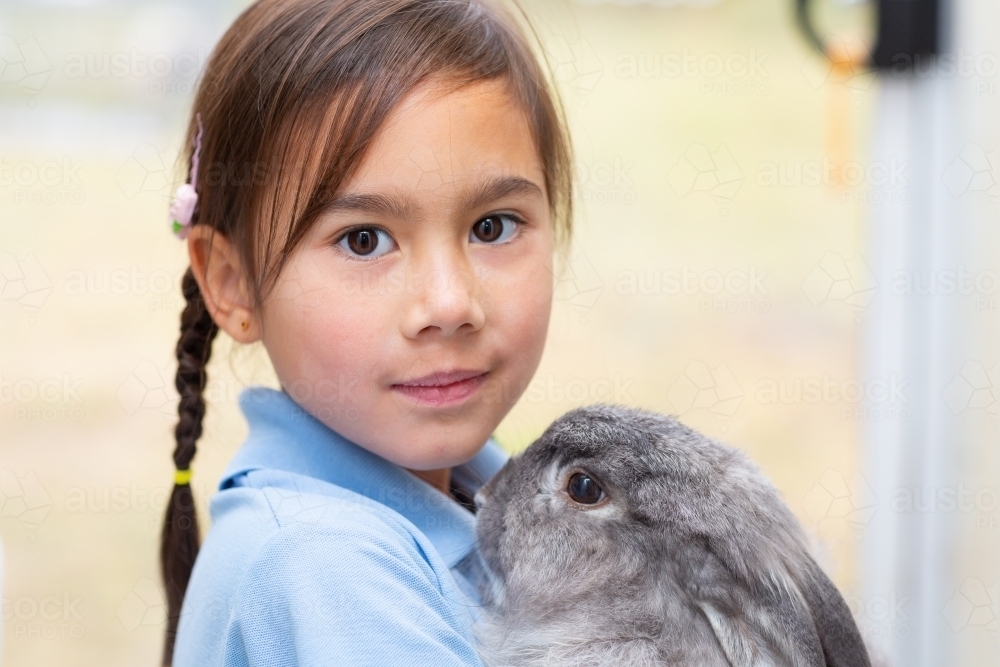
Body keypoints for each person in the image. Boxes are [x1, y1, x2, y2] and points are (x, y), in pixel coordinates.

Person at [161, 0, 573, 664]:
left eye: (491, 226)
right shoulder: (326, 565)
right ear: (233, 282)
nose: (449, 302)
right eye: (364, 239)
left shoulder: (484, 488)